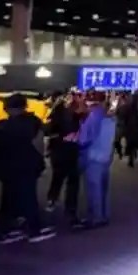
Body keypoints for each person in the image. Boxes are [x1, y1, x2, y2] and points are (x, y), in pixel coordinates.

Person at [0, 94, 54, 244]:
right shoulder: (33, 123)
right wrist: (40, 162)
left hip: (9, 167)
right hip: (27, 165)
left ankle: (4, 229)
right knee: (28, 197)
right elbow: (39, 145)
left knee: (8, 198)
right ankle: (33, 230)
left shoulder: (4, 126)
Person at [77, 94, 117, 228]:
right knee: (103, 189)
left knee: (94, 189)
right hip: (105, 156)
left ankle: (95, 217)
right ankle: (104, 215)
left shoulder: (92, 118)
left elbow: (84, 139)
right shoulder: (111, 119)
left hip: (93, 157)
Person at [45, 92, 83, 227]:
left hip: (60, 151)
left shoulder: (57, 113)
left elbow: (49, 131)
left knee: (59, 177)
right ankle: (70, 209)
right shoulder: (71, 114)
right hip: (68, 150)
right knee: (71, 179)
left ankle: (53, 199)